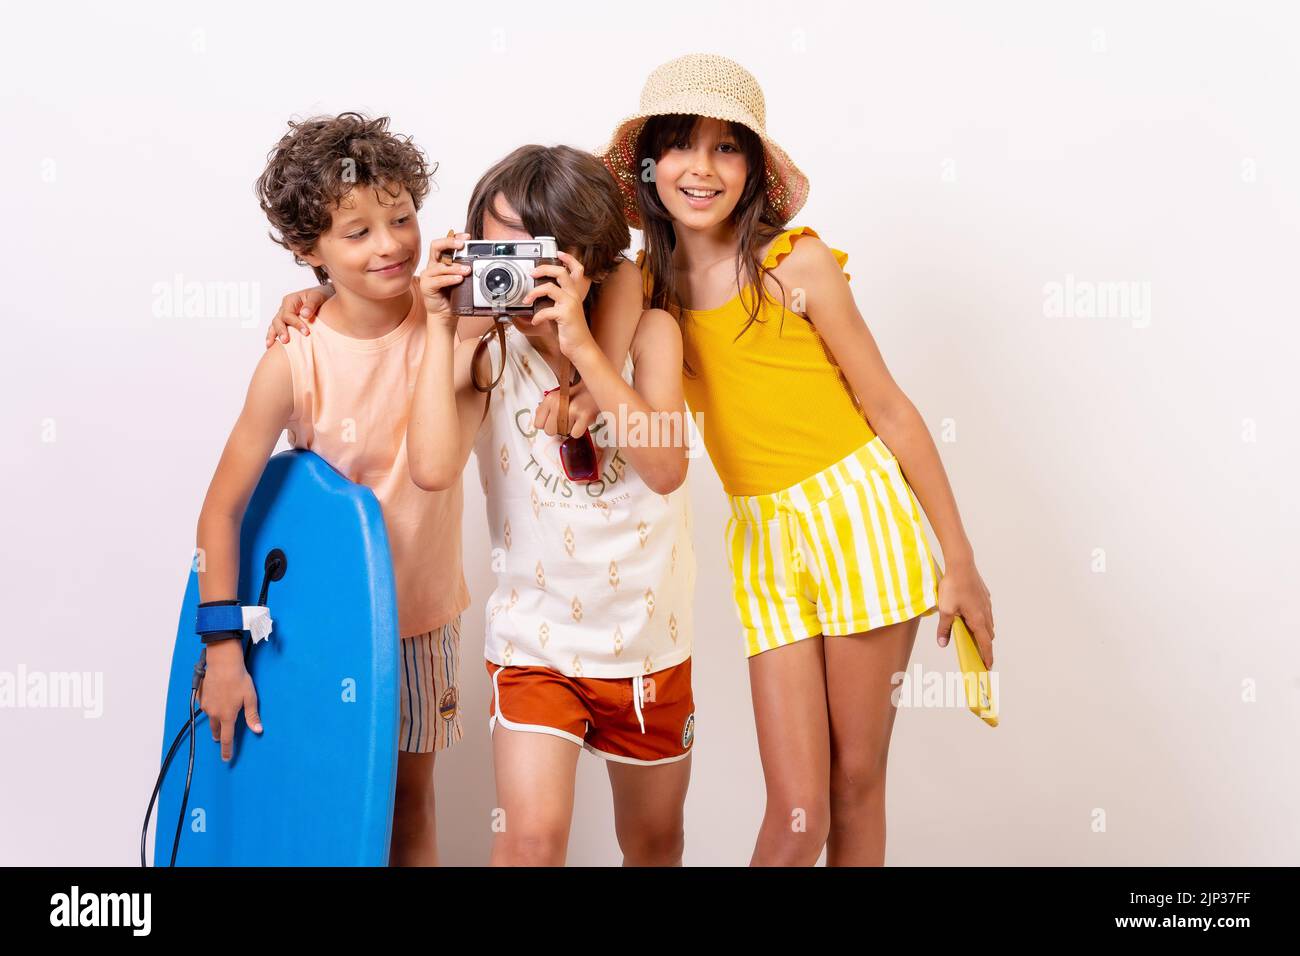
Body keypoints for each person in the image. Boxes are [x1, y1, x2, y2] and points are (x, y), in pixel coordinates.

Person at [596, 53, 997, 866]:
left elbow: (889, 407)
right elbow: (576, 340)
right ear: (648, 166)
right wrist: (326, 293)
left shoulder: (796, 266)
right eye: (680, 145)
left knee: (854, 784)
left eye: (726, 148)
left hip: (861, 519)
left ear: (752, 168)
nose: (701, 169)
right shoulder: (645, 285)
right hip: (764, 537)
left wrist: (959, 559)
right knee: (797, 813)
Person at [195, 111, 469, 866]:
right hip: (317, 623)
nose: (389, 245)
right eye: (356, 233)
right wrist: (222, 650)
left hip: (421, 617)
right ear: (304, 249)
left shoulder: (456, 314)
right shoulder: (294, 359)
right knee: (322, 795)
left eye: (402, 218)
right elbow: (223, 508)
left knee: (410, 801)